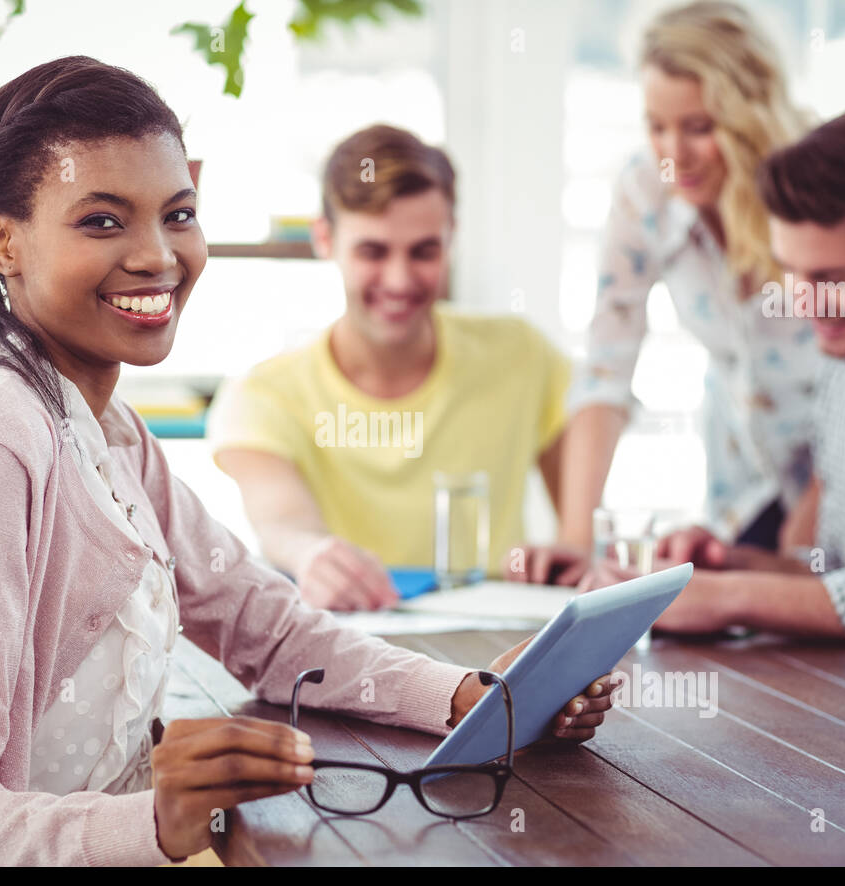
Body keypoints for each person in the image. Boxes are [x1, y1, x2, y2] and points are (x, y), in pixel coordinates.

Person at [0, 57, 615, 867]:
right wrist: (155, 822)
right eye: (103, 220)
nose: (160, 257)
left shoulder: (108, 432)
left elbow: (270, 631)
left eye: (178, 213)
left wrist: (468, 695)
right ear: (2, 244)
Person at [584, 110, 845, 683]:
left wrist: (734, 596)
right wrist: (720, 569)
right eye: (790, 272)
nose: (802, 305)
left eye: (830, 279)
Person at [208, 124, 572, 611]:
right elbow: (283, 525)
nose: (399, 281)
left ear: (452, 238)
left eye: (425, 251)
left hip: (503, 650)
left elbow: (582, 487)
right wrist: (312, 554)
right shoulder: (264, 394)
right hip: (353, 653)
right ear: (324, 239)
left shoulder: (520, 354)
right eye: (373, 251)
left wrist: (572, 549)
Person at [518, 1, 814, 586]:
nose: (674, 153)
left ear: (749, 115)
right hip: (746, 491)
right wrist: (578, 539)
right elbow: (605, 367)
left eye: (699, 127)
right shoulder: (643, 191)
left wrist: (797, 555)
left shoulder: (815, 183)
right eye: (657, 125)